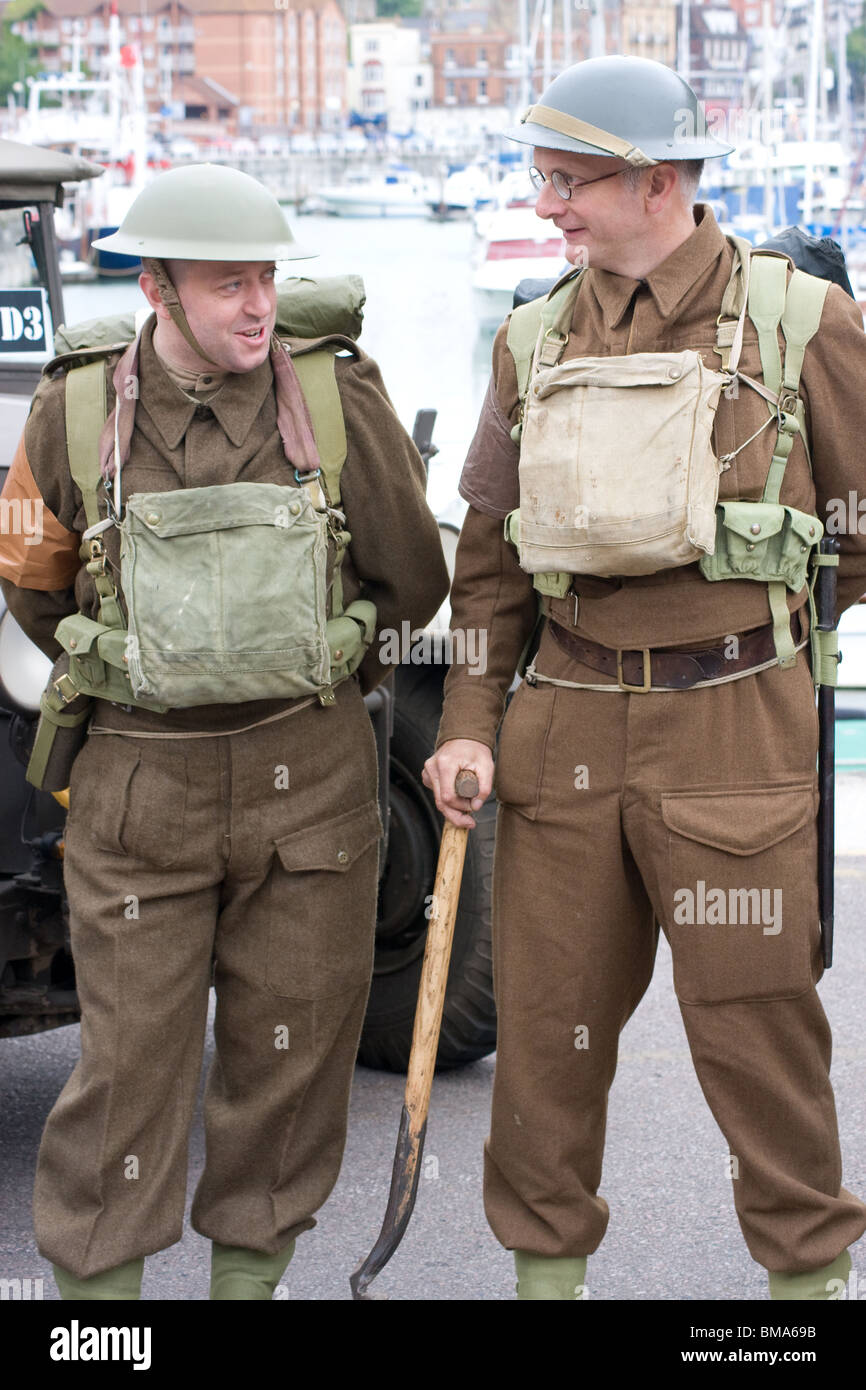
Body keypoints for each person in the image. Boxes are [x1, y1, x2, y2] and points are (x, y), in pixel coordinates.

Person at [423, 55, 866, 1300]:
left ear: (656, 182)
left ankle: (801, 1301)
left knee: (758, 1034)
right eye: (542, 180)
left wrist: (765, 608)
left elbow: (862, 517)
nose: (546, 203)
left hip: (735, 735)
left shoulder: (795, 322)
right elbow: (488, 564)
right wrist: (465, 723)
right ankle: (544, 1287)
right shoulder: (531, 334)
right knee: (542, 1050)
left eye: (566, 182)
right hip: (561, 729)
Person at [0, 163, 448, 1299]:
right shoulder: (77, 404)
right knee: (126, 1076)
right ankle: (101, 1324)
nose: (256, 304)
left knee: (287, 1066)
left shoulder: (337, 399)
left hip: (313, 788)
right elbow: (34, 585)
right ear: (156, 287)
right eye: (225, 284)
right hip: (140, 789)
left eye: (266, 278)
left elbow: (412, 578)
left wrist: (314, 658)